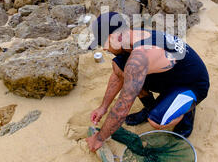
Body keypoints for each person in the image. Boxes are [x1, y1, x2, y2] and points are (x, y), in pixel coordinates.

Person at [86, 11, 209, 152]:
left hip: (192, 84)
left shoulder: (141, 55)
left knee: (156, 120)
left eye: (104, 42)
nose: (104, 48)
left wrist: (99, 138)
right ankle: (151, 106)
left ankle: (187, 111)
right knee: (119, 66)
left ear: (116, 37)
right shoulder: (131, 37)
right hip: (170, 75)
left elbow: (122, 108)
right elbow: (118, 75)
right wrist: (103, 107)